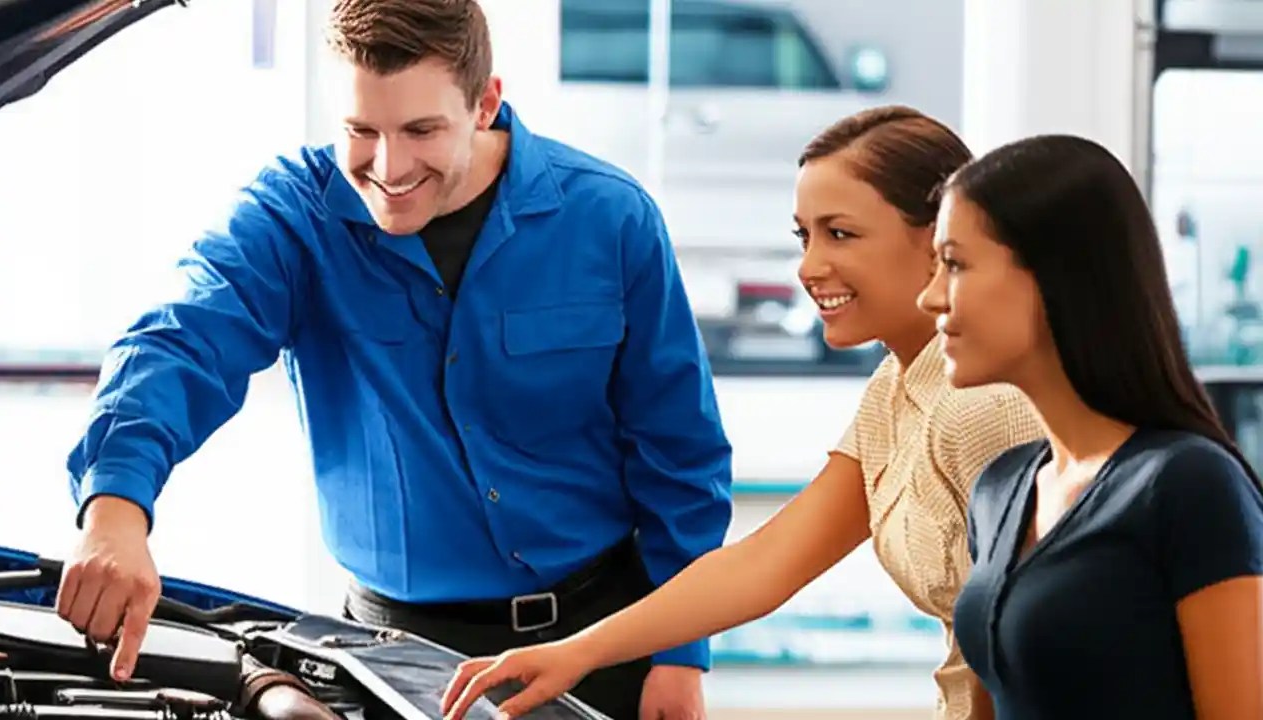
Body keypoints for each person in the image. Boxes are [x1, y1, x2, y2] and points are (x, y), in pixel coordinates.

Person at [51, 2, 732, 719]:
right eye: (360, 131)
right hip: (393, 658)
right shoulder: (293, 218)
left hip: (603, 643)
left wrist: (680, 652)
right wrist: (116, 506)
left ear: (485, 103)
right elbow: (179, 340)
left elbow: (679, 450)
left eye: (420, 130)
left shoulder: (611, 218)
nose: (388, 166)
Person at [439, 106, 1046, 720]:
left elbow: (1062, 644)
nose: (809, 268)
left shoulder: (988, 409)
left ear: (938, 238)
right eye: (803, 236)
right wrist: (576, 652)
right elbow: (765, 564)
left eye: (840, 234)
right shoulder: (898, 387)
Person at [919, 135, 1263, 718]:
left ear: (1055, 276)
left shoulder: (1189, 484)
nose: (930, 297)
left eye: (954, 264)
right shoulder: (999, 489)